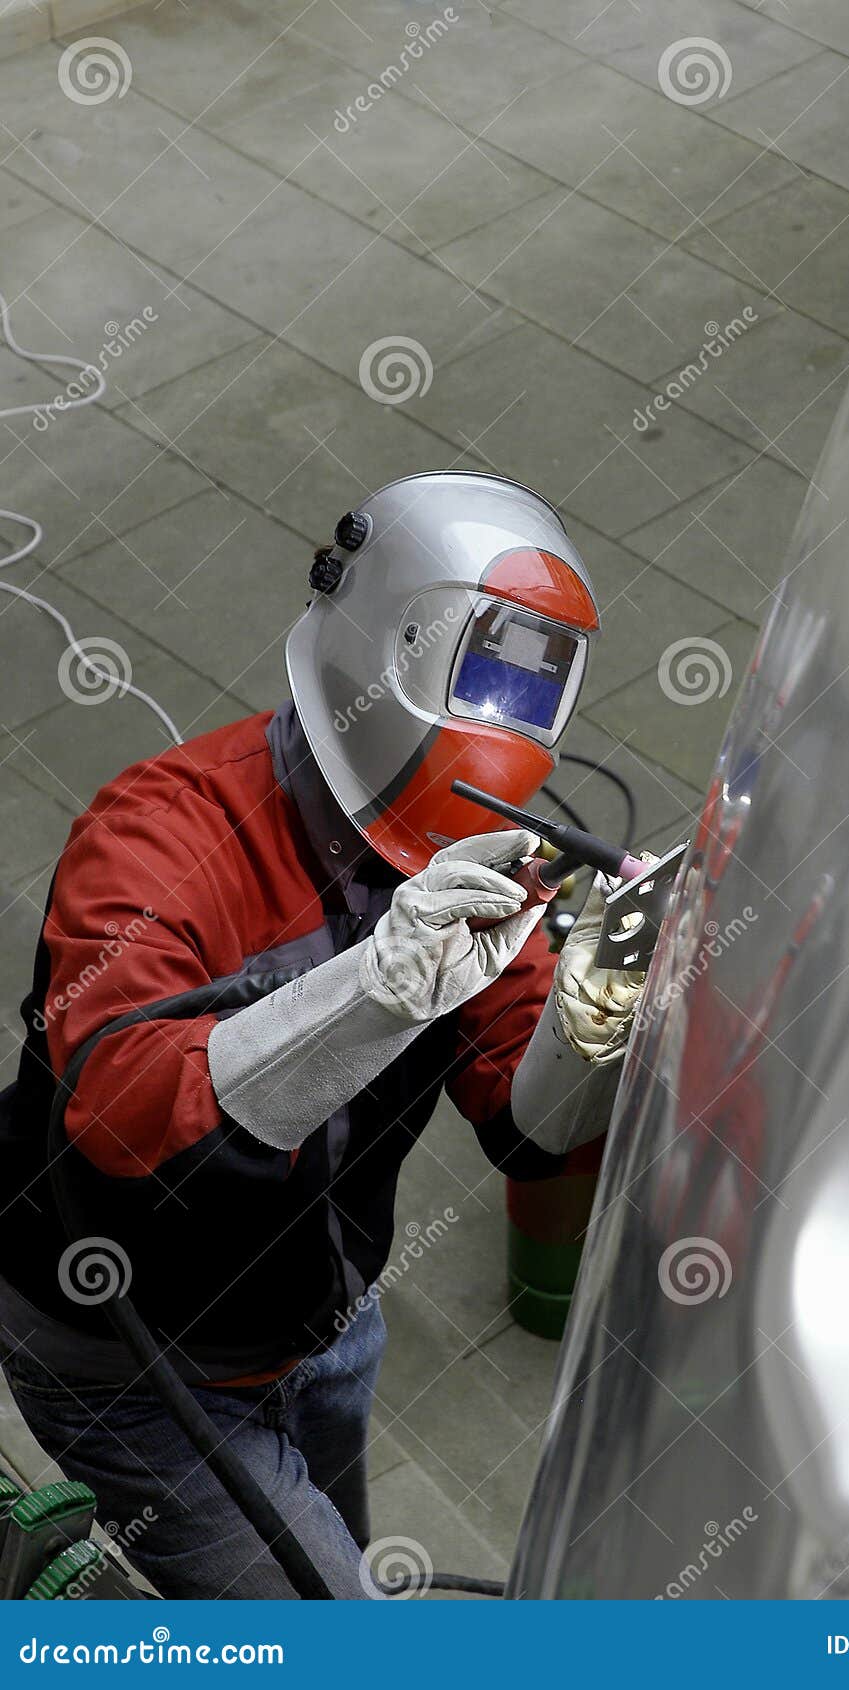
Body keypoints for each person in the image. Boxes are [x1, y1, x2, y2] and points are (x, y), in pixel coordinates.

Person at [0, 472, 643, 1599]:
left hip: (318, 1316)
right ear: (387, 641)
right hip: (125, 1346)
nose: (500, 723)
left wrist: (602, 1016)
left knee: (324, 1547)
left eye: (527, 686)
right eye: (480, 670)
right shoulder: (156, 832)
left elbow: (520, 1119)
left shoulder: (469, 858)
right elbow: (122, 1107)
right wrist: (376, 990)